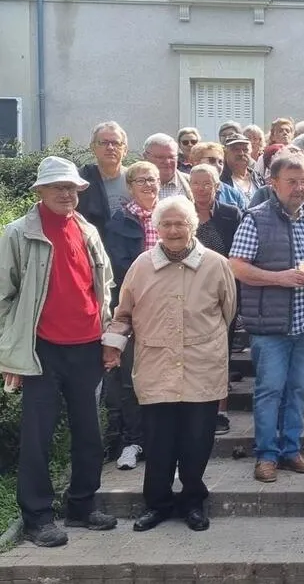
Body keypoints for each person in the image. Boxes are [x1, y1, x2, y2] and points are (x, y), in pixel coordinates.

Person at [0, 157, 118, 547]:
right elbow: (2, 299)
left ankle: (82, 506)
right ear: (39, 191)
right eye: (58, 188)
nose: (67, 194)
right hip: (42, 351)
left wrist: (107, 339)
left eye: (72, 188)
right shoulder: (17, 234)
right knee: (38, 435)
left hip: (87, 347)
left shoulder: (87, 230)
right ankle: (37, 518)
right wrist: (9, 354)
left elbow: (104, 286)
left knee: (89, 431)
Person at [101, 195, 235, 533]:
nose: (174, 230)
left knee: (196, 440)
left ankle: (193, 501)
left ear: (193, 225)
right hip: (156, 364)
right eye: (167, 224)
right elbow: (124, 313)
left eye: (181, 223)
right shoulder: (142, 265)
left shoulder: (216, 264)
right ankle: (157, 503)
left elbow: (227, 313)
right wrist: (113, 347)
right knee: (159, 441)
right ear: (156, 228)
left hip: (201, 365)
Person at [229, 152, 304, 483]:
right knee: (269, 390)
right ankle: (266, 455)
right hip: (270, 326)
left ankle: (291, 450)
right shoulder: (256, 218)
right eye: (292, 181)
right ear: (273, 184)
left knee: (297, 391)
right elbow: (236, 266)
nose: (300, 187)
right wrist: (280, 278)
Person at [103, 160, 165, 470]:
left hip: (169, 310)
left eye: (152, 179)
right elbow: (121, 268)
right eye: (141, 180)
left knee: (163, 378)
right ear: (130, 186)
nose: (148, 185)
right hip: (134, 310)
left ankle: (158, 441)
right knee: (129, 380)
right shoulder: (120, 222)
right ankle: (131, 441)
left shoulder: (171, 215)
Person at [189, 164, 242, 435]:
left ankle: (220, 411)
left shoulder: (231, 215)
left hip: (223, 292)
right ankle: (194, 408)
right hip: (187, 293)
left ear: (217, 186)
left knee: (221, 352)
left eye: (206, 183)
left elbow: (239, 253)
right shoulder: (183, 213)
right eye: (195, 183)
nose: (200, 188)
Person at [77, 121, 130, 239]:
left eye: (116, 143)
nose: (110, 148)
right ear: (93, 148)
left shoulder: (135, 179)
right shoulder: (81, 180)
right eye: (104, 142)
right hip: (90, 245)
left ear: (125, 150)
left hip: (128, 250)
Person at [142, 133, 194, 201]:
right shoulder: (133, 185)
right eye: (160, 157)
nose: (167, 162)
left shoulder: (191, 183)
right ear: (145, 157)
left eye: (171, 157)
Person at [221, 133, 265, 206]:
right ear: (225, 153)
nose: (241, 153)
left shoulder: (258, 178)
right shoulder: (221, 179)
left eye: (245, 149)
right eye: (235, 149)